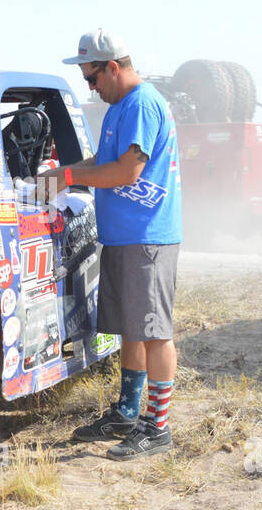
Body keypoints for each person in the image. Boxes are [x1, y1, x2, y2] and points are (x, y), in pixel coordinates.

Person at [35, 29, 182, 460]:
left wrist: (69, 177)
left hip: (147, 237)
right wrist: (63, 171)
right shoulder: (120, 107)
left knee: (154, 333)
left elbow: (125, 173)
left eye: (92, 79)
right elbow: (101, 164)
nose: (91, 88)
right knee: (133, 330)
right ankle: (127, 413)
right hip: (124, 235)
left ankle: (157, 428)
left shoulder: (140, 105)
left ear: (112, 68)